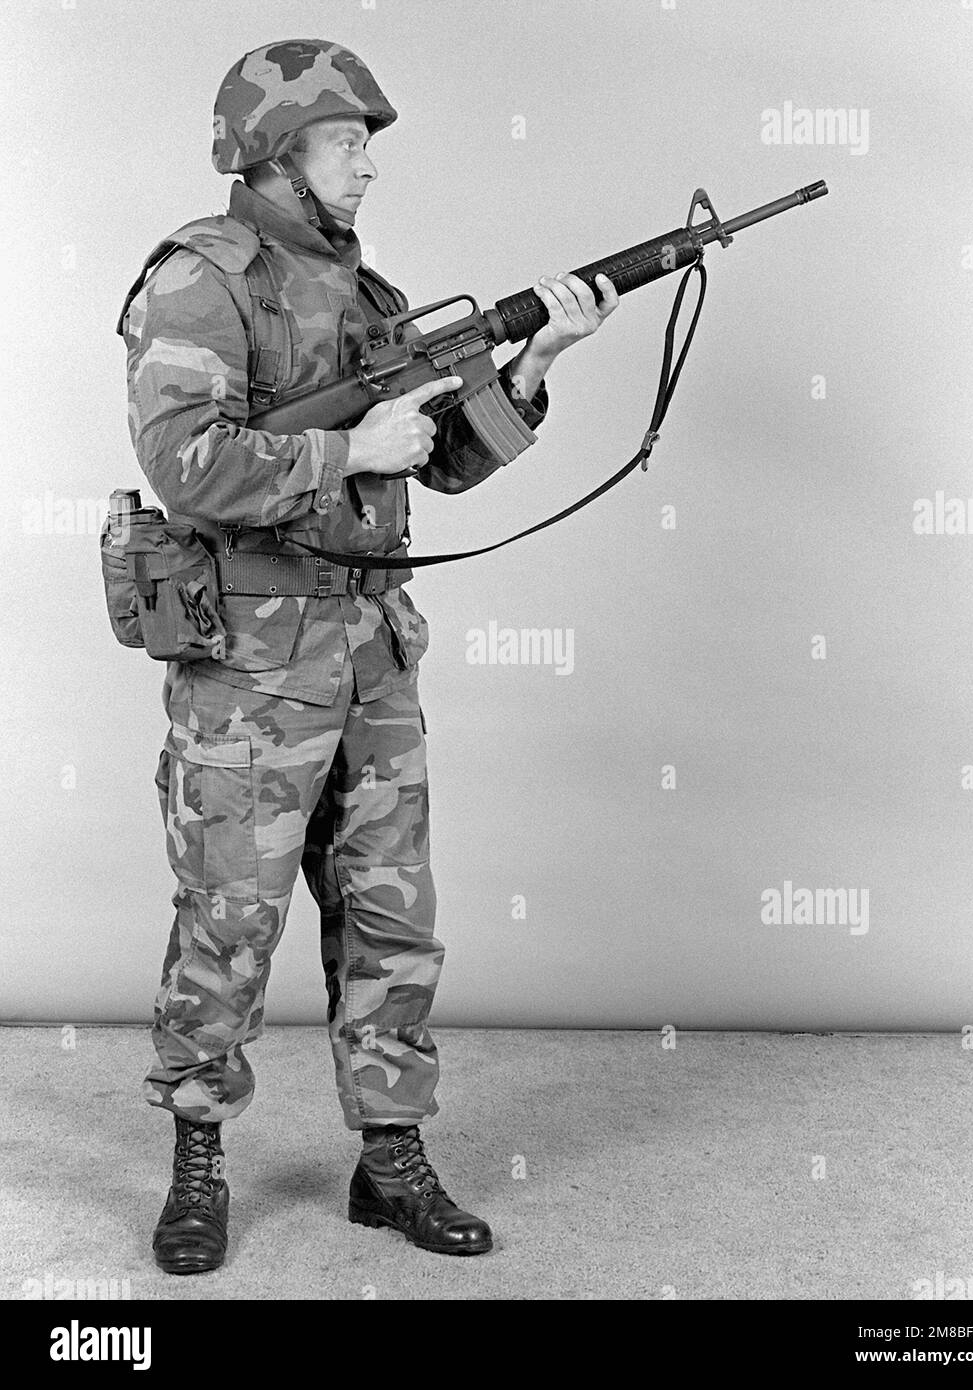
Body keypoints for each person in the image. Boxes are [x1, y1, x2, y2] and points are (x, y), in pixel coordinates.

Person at [118, 37, 618, 1274]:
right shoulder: (202, 278)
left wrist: (535, 366)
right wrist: (350, 453)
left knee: (393, 920)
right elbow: (186, 464)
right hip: (250, 668)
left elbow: (437, 462)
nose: (367, 170)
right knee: (228, 923)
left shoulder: (373, 300)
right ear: (275, 151)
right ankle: (196, 1156)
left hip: (372, 655)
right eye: (348, 144)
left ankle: (388, 1160)